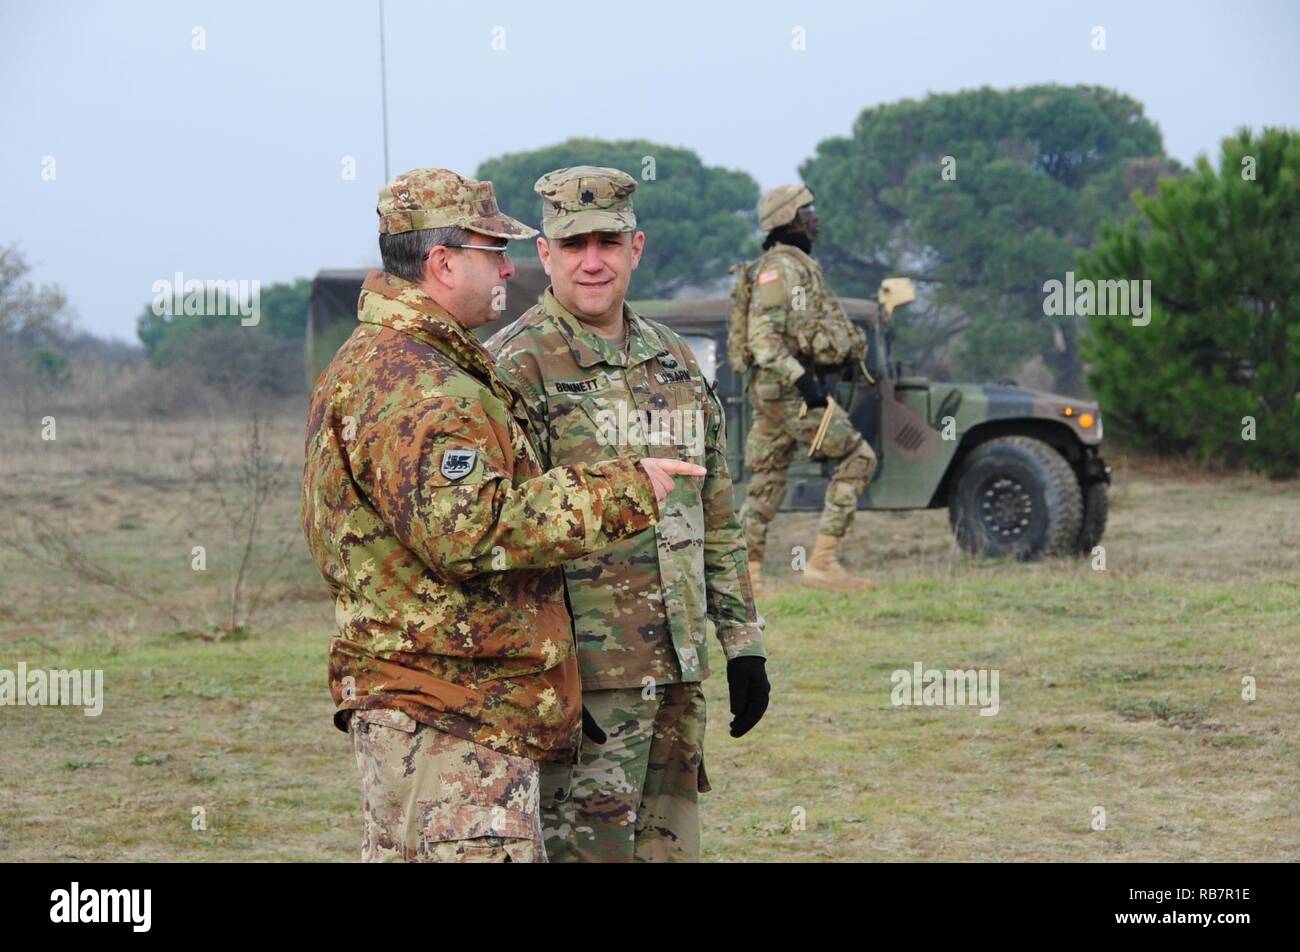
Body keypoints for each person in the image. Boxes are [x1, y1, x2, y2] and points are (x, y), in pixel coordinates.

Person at [300, 167, 703, 863]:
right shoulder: (420, 382)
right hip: (448, 710)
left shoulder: (403, 361)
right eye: (493, 251)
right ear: (442, 262)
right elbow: (469, 531)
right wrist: (623, 488)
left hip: (443, 701)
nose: (507, 268)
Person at [487, 165, 768, 863]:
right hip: (583, 690)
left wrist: (743, 646)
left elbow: (718, 516)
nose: (592, 261)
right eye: (573, 243)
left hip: (675, 673)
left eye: (607, 242)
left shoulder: (673, 360)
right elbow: (500, 536)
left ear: (635, 247)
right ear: (544, 254)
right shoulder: (515, 369)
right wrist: (541, 673)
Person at [733, 184, 877, 595]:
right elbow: (763, 339)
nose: (814, 217)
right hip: (789, 392)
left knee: (766, 481)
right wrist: (805, 383)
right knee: (857, 458)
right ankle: (823, 563)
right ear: (789, 219)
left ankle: (750, 580)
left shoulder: (793, 264)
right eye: (807, 210)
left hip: (775, 393)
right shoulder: (781, 270)